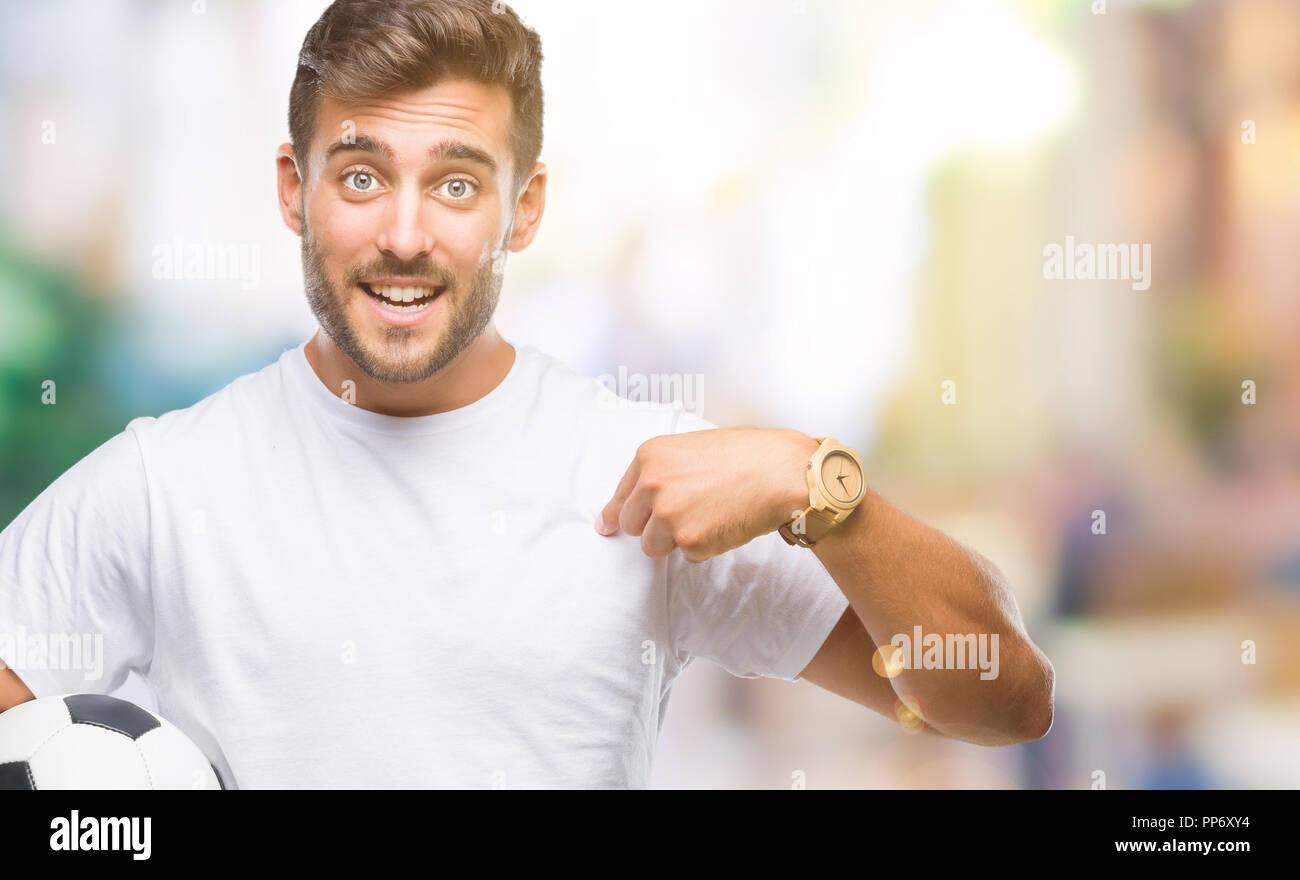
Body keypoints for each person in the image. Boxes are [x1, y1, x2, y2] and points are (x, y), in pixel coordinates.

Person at [0, 0, 1053, 788]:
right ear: (294, 189)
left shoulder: (651, 479)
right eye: (361, 175)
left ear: (525, 207)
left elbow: (1002, 698)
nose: (405, 234)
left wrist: (822, 487)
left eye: (456, 182)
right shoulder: (165, 485)